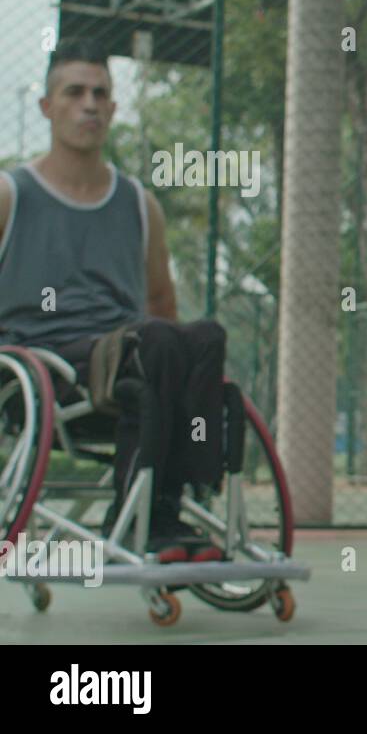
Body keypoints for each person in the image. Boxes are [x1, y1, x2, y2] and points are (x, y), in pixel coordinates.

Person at [0, 38, 227, 563]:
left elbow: (162, 304)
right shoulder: (12, 195)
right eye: (75, 92)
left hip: (132, 357)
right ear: (47, 106)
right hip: (44, 368)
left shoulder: (140, 204)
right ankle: (139, 519)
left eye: (101, 94)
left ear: (114, 107)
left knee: (204, 336)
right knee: (156, 342)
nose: (90, 105)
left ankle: (173, 507)